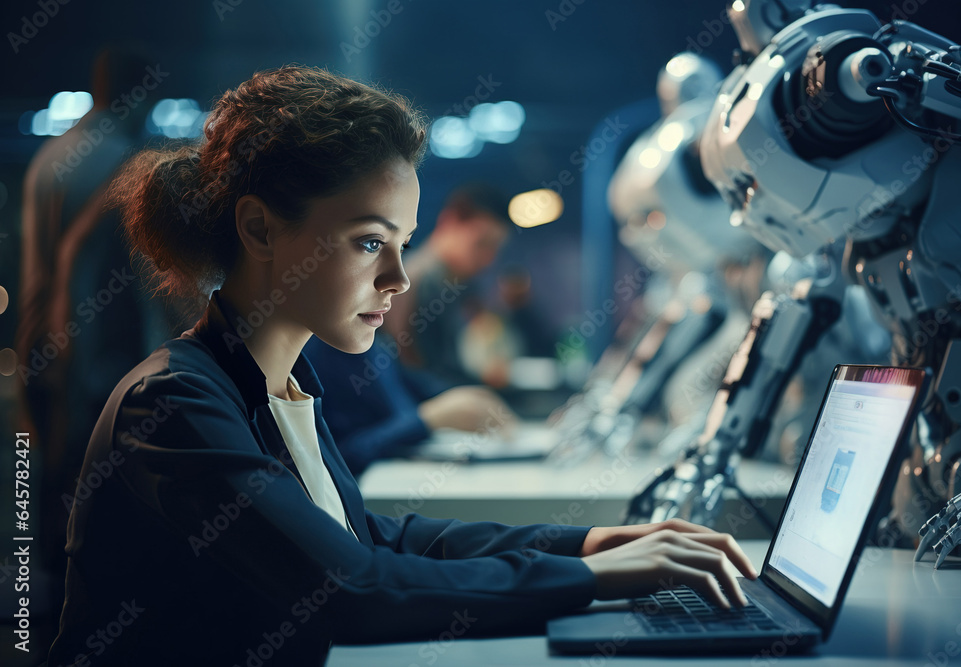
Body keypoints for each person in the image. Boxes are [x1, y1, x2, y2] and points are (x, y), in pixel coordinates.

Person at [47, 66, 757, 666]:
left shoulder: (282, 385)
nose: (399, 278)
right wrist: (588, 577)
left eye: (403, 243)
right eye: (368, 243)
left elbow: (379, 535)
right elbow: (352, 587)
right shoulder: (172, 401)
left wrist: (589, 542)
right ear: (260, 227)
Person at [15, 45, 192, 638]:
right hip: (95, 360)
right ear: (138, 93)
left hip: (41, 349)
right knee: (99, 512)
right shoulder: (126, 164)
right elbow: (115, 282)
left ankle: (35, 624)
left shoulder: (48, 158)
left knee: (46, 492)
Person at [302, 336, 516, 476]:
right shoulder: (311, 357)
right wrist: (428, 419)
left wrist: (468, 397)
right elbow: (336, 459)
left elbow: (417, 384)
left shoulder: (371, 340)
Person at [383, 182, 512, 387]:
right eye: (483, 243)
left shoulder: (461, 287)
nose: (489, 258)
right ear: (449, 220)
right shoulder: (414, 283)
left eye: (496, 248)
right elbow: (417, 372)